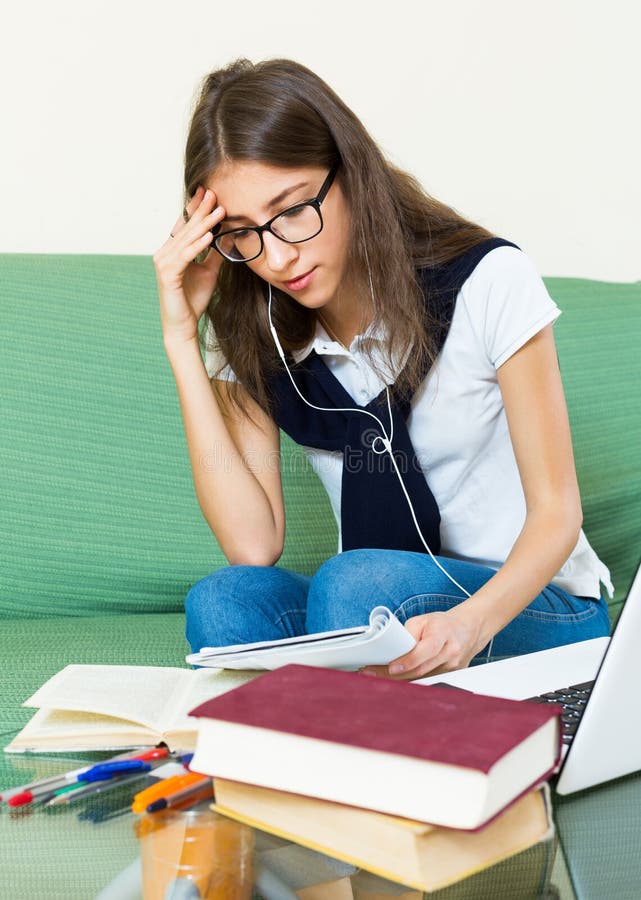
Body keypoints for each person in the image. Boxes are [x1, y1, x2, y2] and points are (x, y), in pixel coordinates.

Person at [153, 57, 612, 680]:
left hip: (530, 609)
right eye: (241, 234)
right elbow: (253, 545)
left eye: (292, 209)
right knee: (225, 601)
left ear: (350, 173)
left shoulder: (486, 281)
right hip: (378, 603)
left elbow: (558, 513)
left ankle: (334, 739)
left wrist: (467, 626)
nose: (279, 257)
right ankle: (321, 754)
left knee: (355, 585)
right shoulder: (256, 326)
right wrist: (183, 336)